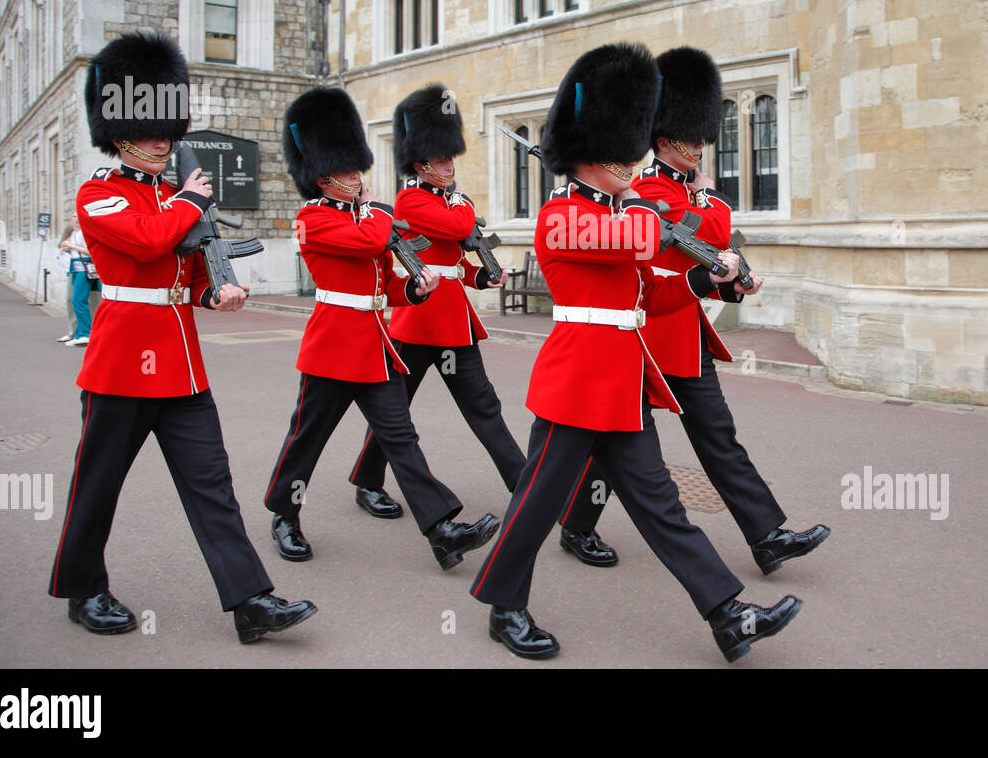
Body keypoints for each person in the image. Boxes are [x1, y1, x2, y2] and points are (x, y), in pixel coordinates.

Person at [469, 41, 802, 663]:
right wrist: (668, 212)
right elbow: (642, 239)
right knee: (536, 505)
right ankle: (503, 605)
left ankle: (729, 616)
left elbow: (658, 292)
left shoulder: (624, 213)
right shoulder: (560, 216)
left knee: (662, 507)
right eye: (622, 152)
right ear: (591, 155)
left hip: (624, 385)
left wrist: (712, 279)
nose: (633, 160)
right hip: (577, 385)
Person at [48, 32, 317, 644]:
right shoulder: (98, 195)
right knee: (98, 485)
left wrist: (218, 293)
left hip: (182, 367)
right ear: (120, 136)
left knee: (212, 485)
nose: (162, 143)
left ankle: (251, 600)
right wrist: (192, 203)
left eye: (167, 132)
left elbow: (189, 277)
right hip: (120, 364)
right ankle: (83, 587)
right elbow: (146, 242)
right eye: (150, 134)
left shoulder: (174, 198)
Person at [558, 47, 832, 574]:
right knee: (618, 448)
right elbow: (709, 233)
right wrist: (709, 198)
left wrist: (731, 285)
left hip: (684, 332)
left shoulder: (679, 187)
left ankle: (767, 535)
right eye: (693, 138)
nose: (701, 147)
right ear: (665, 140)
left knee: (717, 437)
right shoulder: (652, 187)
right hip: (646, 334)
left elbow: (705, 258)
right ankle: (576, 524)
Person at [263, 86, 499, 571]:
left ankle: (440, 530)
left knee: (401, 437)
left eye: (358, 169)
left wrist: (411, 291)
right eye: (347, 171)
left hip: (374, 345)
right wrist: (376, 209)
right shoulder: (313, 219)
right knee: (308, 437)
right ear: (322, 177)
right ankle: (285, 513)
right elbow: (373, 235)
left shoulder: (365, 217)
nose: (357, 177)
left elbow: (383, 281)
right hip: (332, 346)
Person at [348, 83, 528, 520]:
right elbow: (460, 224)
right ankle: (369, 482)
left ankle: (525, 486)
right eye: (442, 159)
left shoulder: (444, 201)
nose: (449, 166)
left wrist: (481, 277)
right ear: (421, 162)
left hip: (454, 322)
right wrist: (462, 199)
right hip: (419, 321)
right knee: (395, 413)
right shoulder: (412, 200)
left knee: (484, 407)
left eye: (450, 158)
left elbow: (449, 263)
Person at [62, 219, 100, 347]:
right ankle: (80, 332)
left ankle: (85, 333)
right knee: (76, 301)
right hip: (77, 268)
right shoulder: (73, 234)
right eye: (73, 217)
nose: (76, 219)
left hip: (85, 269)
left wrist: (72, 246)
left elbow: (91, 252)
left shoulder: (84, 234)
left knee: (79, 300)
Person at [55, 215, 78, 342]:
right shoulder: (70, 229)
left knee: (93, 301)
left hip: (91, 269)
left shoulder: (91, 226)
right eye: (74, 216)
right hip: (73, 267)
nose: (76, 219)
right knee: (71, 299)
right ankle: (73, 331)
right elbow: (61, 245)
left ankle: (91, 332)